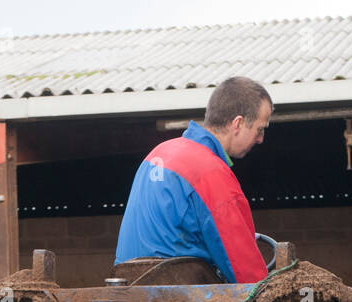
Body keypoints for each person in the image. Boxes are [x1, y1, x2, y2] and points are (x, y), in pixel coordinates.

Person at [115, 77, 272, 284]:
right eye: (259, 129)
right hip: (177, 292)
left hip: (127, 286)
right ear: (238, 123)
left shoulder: (158, 153)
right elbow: (241, 263)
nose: (260, 139)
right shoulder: (209, 170)